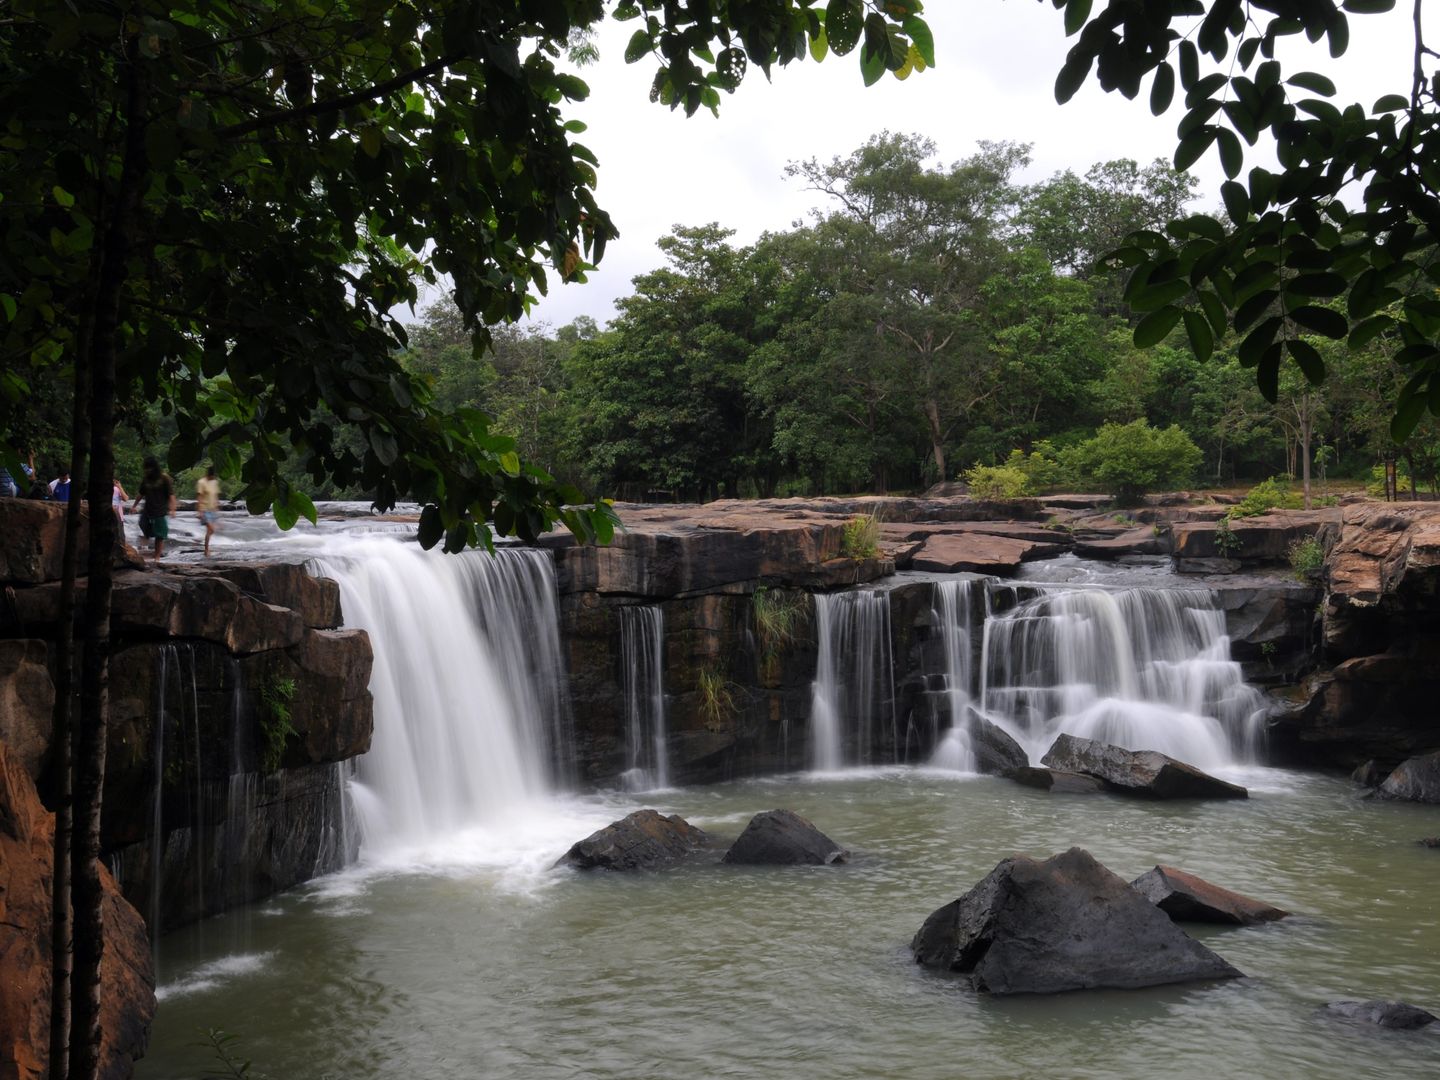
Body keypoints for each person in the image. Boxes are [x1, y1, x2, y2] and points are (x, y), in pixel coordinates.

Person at [132, 457, 176, 563]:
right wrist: (134, 506)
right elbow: (141, 494)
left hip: (160, 510)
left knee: (160, 536)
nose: (147, 470)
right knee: (142, 524)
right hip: (147, 510)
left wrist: (173, 509)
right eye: (145, 468)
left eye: (149, 468)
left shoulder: (164, 478)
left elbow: (171, 495)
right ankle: (147, 546)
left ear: (154, 468)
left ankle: (157, 558)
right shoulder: (146, 479)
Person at [196, 464, 220, 557]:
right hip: (204, 509)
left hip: (212, 510)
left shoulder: (214, 482)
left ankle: (206, 548)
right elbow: (199, 496)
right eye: (212, 475)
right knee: (211, 529)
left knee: (211, 531)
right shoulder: (201, 482)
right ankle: (206, 549)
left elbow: (216, 495)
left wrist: (217, 508)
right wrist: (199, 511)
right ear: (209, 474)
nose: (213, 477)